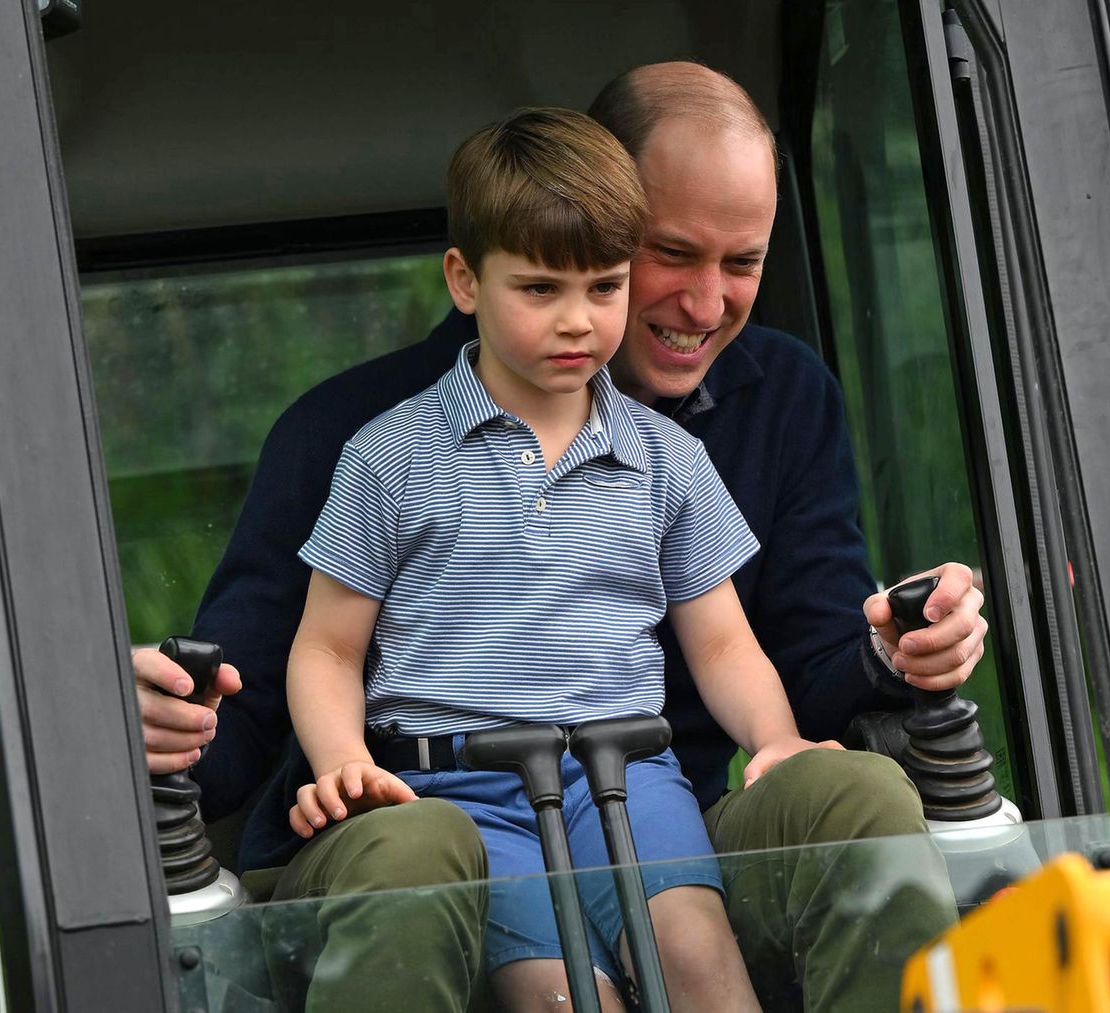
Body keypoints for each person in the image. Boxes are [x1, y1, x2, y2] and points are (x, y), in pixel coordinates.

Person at [137, 63, 987, 1011]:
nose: (706, 304)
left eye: (743, 263)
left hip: (645, 795)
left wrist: (889, 653)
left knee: (844, 810)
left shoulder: (731, 425)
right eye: (673, 253)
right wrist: (165, 722)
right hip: (442, 810)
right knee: (485, 915)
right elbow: (279, 674)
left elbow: (758, 647)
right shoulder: (365, 442)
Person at [287, 105, 829, 1011]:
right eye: (540, 289)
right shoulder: (388, 455)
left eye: (605, 287)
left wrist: (774, 739)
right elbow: (327, 647)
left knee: (698, 961)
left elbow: (724, 642)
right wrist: (344, 760)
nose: (578, 321)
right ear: (465, 280)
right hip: (460, 789)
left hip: (630, 777)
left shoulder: (668, 458)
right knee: (560, 996)